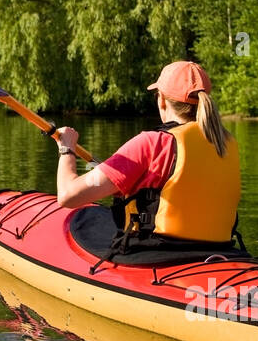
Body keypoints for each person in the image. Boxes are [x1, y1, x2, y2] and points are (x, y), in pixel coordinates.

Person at [54, 61, 240, 245]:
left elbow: (68, 196)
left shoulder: (152, 143)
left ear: (162, 100)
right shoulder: (226, 142)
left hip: (158, 252)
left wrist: (66, 148)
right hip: (219, 249)